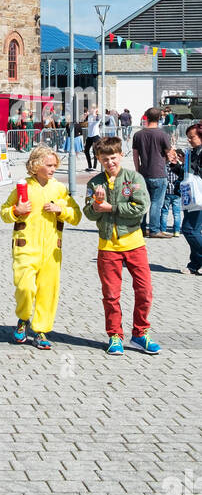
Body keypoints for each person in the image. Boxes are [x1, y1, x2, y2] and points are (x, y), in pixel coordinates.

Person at [83, 137, 160, 355]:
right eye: (105, 159)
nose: (110, 162)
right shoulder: (95, 183)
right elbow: (88, 213)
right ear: (98, 158)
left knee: (144, 290)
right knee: (111, 294)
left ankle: (140, 333)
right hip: (107, 246)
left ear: (121, 156)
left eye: (113, 158)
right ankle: (114, 335)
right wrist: (97, 205)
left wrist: (111, 208)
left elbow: (142, 206)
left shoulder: (133, 178)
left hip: (134, 243)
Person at [0, 145, 81, 349]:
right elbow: (3, 213)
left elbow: (77, 215)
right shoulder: (23, 187)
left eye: (55, 165)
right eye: (49, 165)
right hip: (25, 246)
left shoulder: (59, 189)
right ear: (36, 165)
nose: (53, 169)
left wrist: (60, 209)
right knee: (25, 287)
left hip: (52, 249)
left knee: (48, 291)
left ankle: (41, 330)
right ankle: (23, 318)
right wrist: (16, 211)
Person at [132, 107, 172, 237]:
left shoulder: (138, 135)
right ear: (160, 118)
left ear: (146, 117)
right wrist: (166, 160)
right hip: (159, 172)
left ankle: (141, 228)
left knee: (143, 202)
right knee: (156, 203)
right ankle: (154, 230)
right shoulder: (162, 135)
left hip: (144, 173)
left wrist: (137, 170)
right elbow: (169, 154)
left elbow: (135, 155)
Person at [180, 122, 202, 276]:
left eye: (192, 137)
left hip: (199, 196)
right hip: (191, 195)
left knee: (189, 229)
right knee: (193, 230)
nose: (189, 140)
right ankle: (194, 264)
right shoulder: (193, 152)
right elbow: (187, 175)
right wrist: (177, 164)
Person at [161, 147, 184, 238]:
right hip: (177, 192)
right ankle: (177, 231)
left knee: (164, 212)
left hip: (166, 191)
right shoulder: (180, 167)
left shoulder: (166, 166)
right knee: (177, 213)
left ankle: (163, 229)